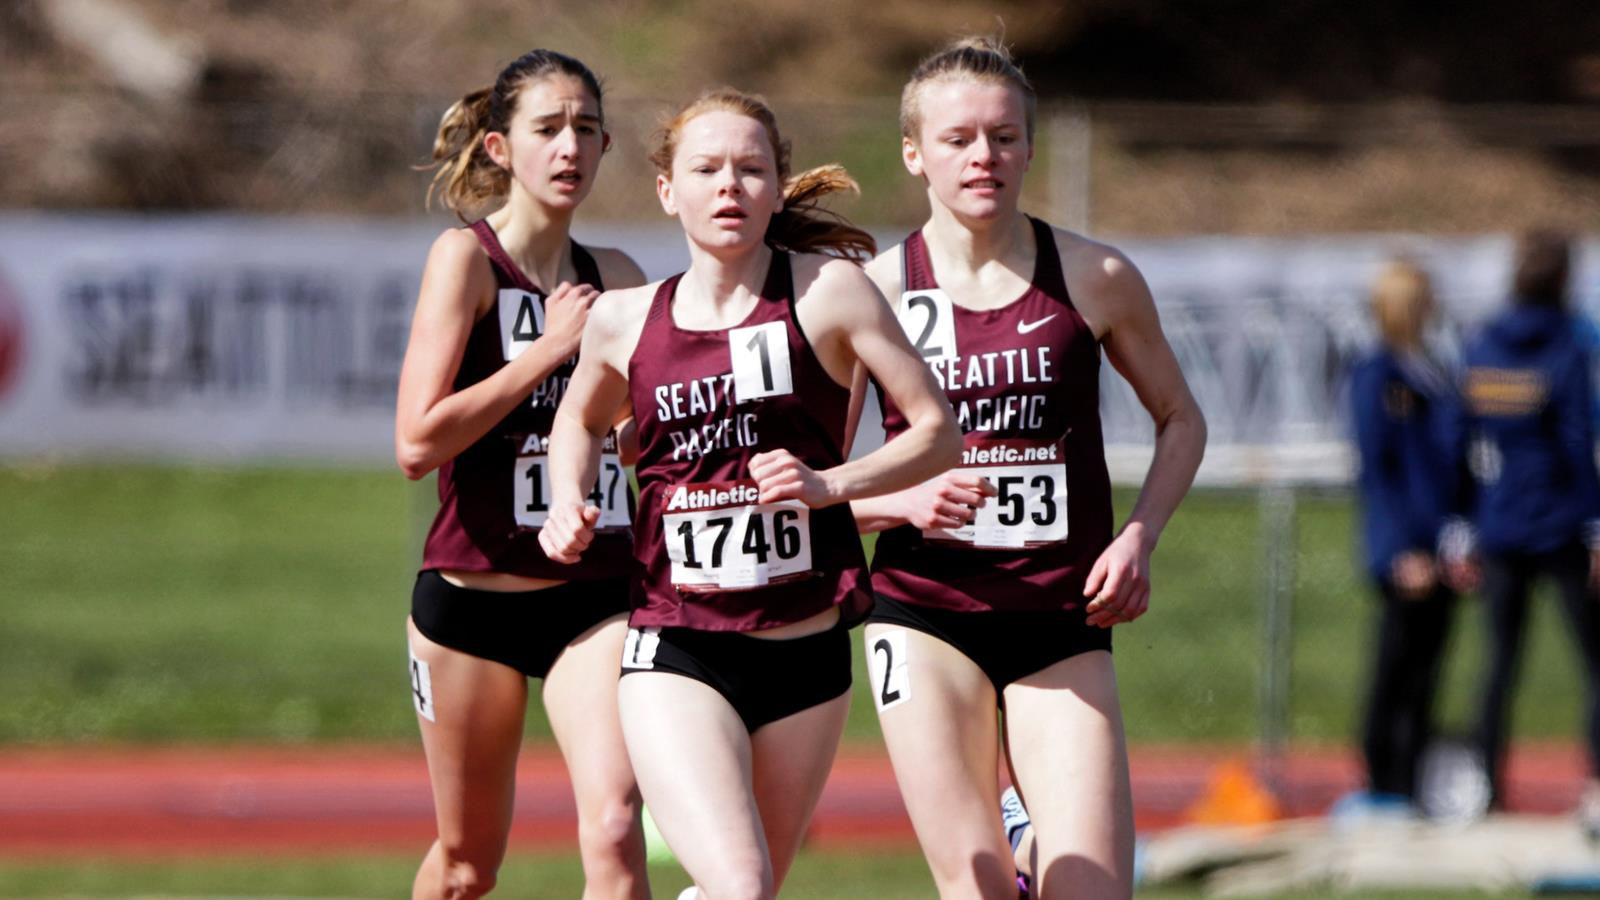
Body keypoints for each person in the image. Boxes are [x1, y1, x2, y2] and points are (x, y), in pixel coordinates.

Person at [538, 87, 962, 900]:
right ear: (669, 191)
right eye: (706, 169)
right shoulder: (624, 319)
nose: (728, 186)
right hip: (678, 645)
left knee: (748, 893)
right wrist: (567, 497)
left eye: (750, 169)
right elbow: (576, 422)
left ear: (777, 185)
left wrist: (827, 485)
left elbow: (935, 432)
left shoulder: (829, 293)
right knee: (738, 883)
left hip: (804, 651)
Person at [847, 37, 1206, 899]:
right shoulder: (872, 291)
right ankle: (1007, 836)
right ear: (914, 153)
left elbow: (1182, 420)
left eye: (1003, 137)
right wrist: (901, 501)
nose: (983, 157)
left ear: (1030, 147)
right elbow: (816, 484)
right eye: (959, 139)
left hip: (1059, 613)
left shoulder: (1096, 276)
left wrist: (1139, 537)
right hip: (922, 613)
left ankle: (1027, 831)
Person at [394, 50, 649, 900]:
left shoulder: (616, 279)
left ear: (608, 144)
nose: (569, 147)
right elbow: (416, 442)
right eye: (548, 130)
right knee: (469, 868)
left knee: (616, 825)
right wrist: (545, 354)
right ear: (502, 148)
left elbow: (644, 439)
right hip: (474, 600)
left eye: (585, 130)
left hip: (597, 592)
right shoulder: (465, 262)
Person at [1446, 230, 1600, 831]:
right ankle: (1594, 788)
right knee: (1594, 662)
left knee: (1498, 663)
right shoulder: (1570, 343)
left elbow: (1459, 439)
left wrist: (1459, 523)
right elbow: (1575, 441)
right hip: (1561, 521)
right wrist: (1595, 527)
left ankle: (1487, 788)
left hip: (1499, 520)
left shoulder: (1481, 344)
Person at [1345, 259, 1459, 814]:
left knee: (1426, 671)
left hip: (1440, 547)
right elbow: (1379, 470)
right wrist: (1399, 551)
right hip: (1406, 550)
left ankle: (1411, 783)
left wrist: (1456, 540)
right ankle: (1382, 779)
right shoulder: (1377, 374)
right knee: (1395, 666)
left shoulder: (1432, 369)